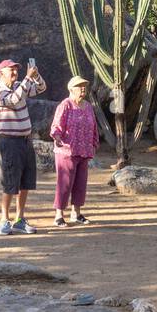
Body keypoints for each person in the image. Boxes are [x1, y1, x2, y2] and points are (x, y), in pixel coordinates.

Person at [0, 58, 46, 235]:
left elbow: (41, 88)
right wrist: (28, 79)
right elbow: (13, 100)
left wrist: (36, 76)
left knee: (25, 182)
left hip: (25, 140)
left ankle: (19, 219)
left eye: (16, 69)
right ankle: (3, 220)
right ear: (1, 73)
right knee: (9, 182)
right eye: (11, 70)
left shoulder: (19, 85)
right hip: (9, 141)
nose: (15, 72)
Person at [50, 75, 100, 227]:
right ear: (71, 89)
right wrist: (57, 136)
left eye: (84, 86)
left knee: (80, 183)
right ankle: (59, 214)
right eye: (79, 86)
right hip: (67, 151)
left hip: (84, 150)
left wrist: (94, 142)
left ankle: (76, 213)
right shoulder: (65, 105)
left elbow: (94, 126)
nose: (83, 88)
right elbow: (56, 125)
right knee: (65, 183)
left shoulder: (88, 106)